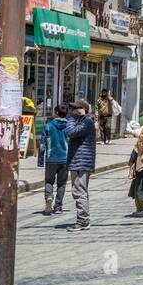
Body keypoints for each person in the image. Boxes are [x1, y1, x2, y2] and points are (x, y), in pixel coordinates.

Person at [65, 99, 97, 233]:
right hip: (78, 161)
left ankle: (83, 221)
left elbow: (70, 132)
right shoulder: (83, 121)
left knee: (79, 191)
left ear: (82, 110)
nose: (71, 111)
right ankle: (82, 218)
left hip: (81, 162)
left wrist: (72, 118)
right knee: (79, 191)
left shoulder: (87, 122)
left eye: (74, 109)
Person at [38, 103, 69, 215]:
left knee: (49, 181)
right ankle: (58, 206)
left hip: (51, 159)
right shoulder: (69, 127)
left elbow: (42, 145)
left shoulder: (48, 126)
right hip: (65, 159)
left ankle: (49, 197)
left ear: (56, 113)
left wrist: (41, 161)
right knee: (62, 183)